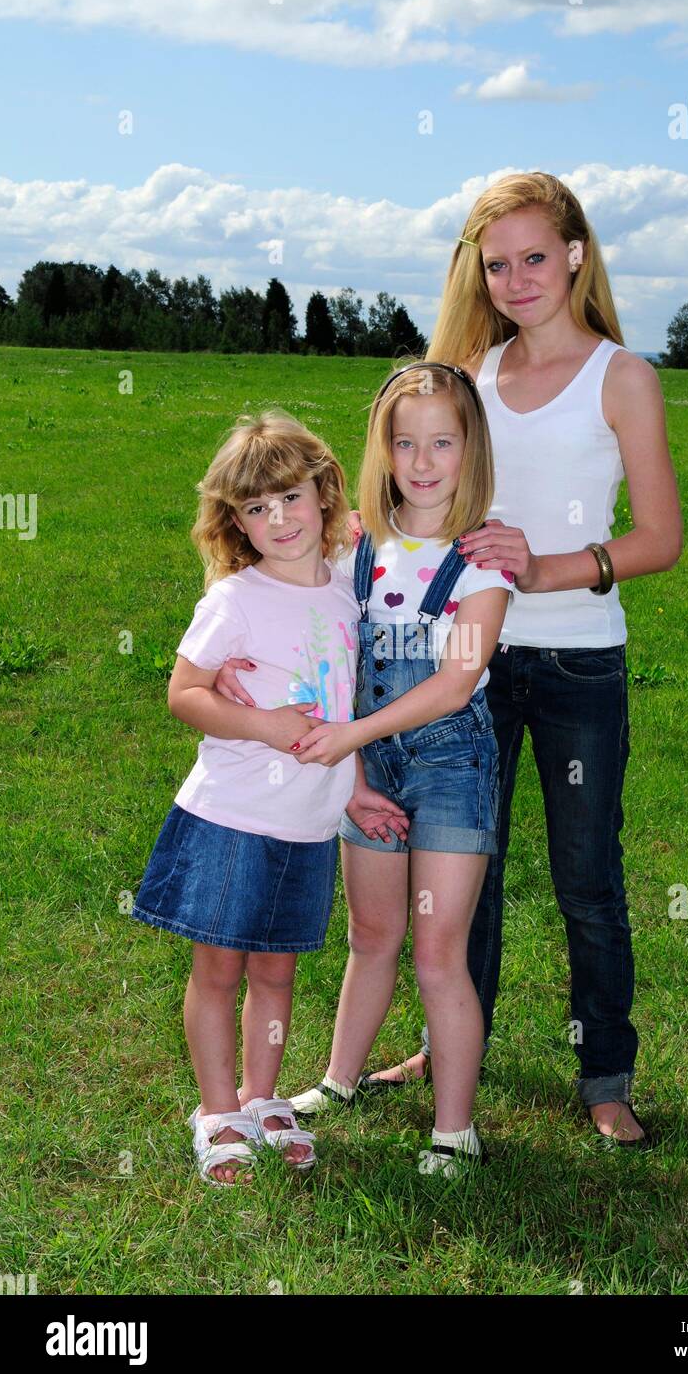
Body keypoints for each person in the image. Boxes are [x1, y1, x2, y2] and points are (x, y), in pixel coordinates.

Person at [358, 171, 683, 1146]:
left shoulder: (619, 376)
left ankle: (605, 1075)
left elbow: (660, 537)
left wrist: (545, 567)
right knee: (465, 869)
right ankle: (450, 1041)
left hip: (581, 666)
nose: (515, 278)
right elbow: (414, 496)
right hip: (473, 661)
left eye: (534, 257)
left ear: (575, 254)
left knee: (586, 875)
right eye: (494, 264)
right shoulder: (468, 373)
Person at [225, 364, 512, 1175]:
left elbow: (456, 680)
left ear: (471, 450)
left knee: (436, 951)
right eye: (403, 442)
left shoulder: (482, 558)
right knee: (372, 935)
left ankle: (453, 1128)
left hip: (451, 760)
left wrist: (351, 737)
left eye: (442, 443)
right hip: (365, 765)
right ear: (381, 449)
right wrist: (349, 768)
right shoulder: (352, 542)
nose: (421, 462)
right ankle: (339, 1080)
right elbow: (304, 630)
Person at [130, 410, 408, 1186]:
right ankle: (217, 1113)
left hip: (309, 824)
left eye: (290, 497)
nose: (277, 519)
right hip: (232, 816)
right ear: (235, 523)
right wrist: (262, 723)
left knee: (278, 975)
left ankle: (262, 1097)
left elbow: (341, 705)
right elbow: (184, 692)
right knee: (219, 971)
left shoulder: (347, 589)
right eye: (255, 508)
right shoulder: (237, 598)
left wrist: (351, 790)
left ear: (323, 493)